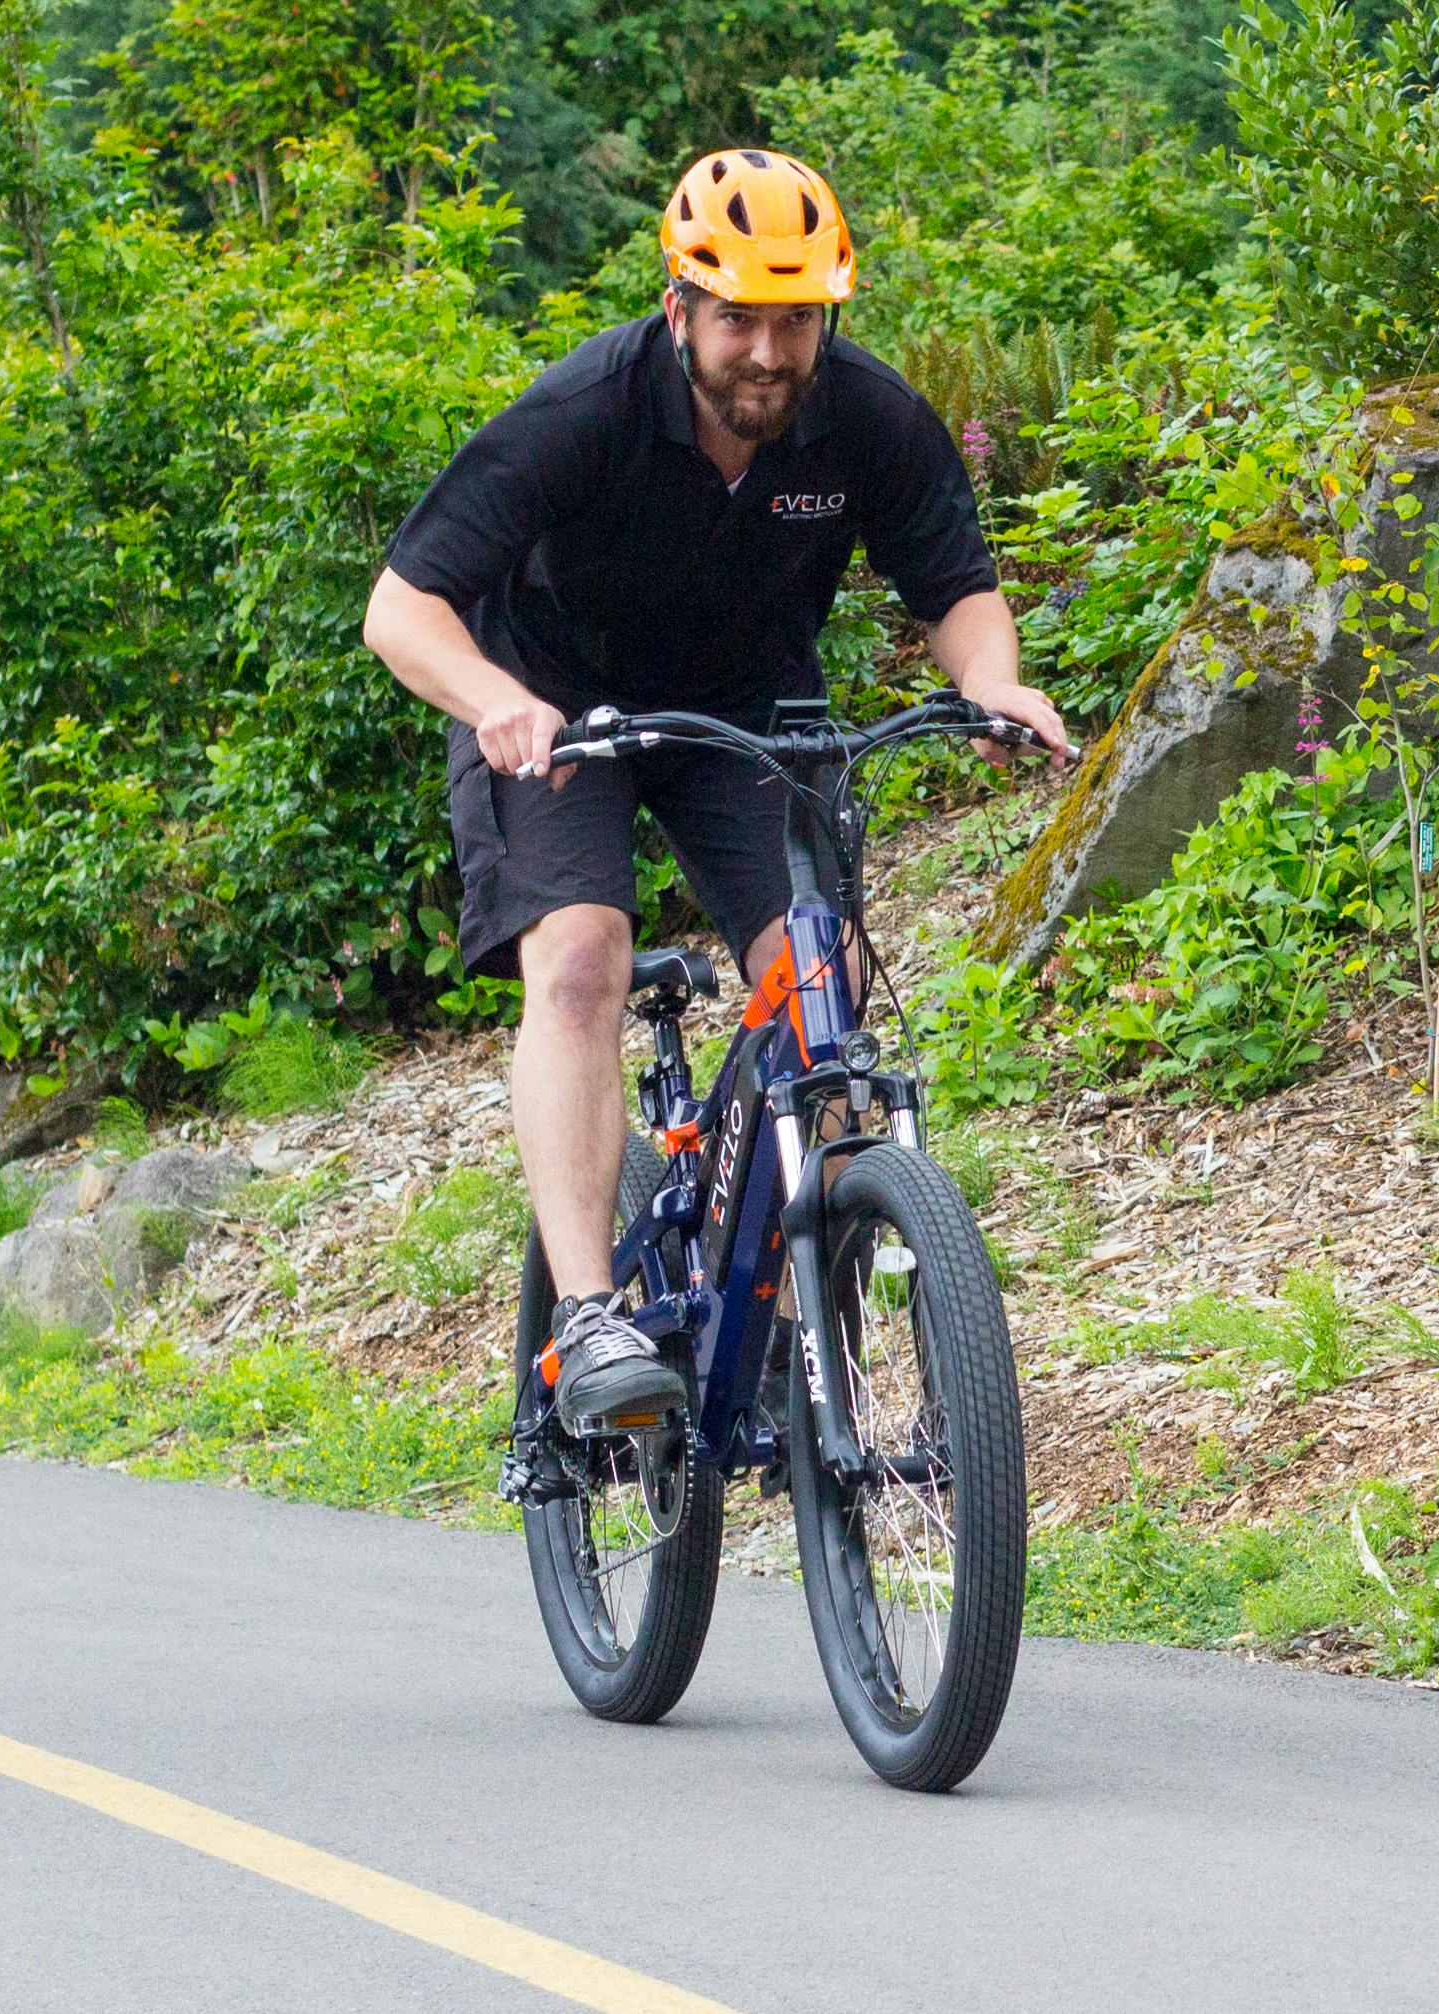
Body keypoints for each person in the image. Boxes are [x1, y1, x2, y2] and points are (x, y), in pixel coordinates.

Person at [363, 147, 1068, 1425]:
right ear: (680, 305)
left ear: (827, 317)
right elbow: (401, 608)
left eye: (793, 320)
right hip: (554, 702)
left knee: (827, 984)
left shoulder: (866, 418)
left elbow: (956, 587)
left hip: (745, 713)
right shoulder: (585, 412)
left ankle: (802, 1304)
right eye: (738, 314)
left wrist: (993, 683)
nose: (766, 350)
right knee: (580, 954)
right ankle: (587, 1319)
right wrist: (497, 703)